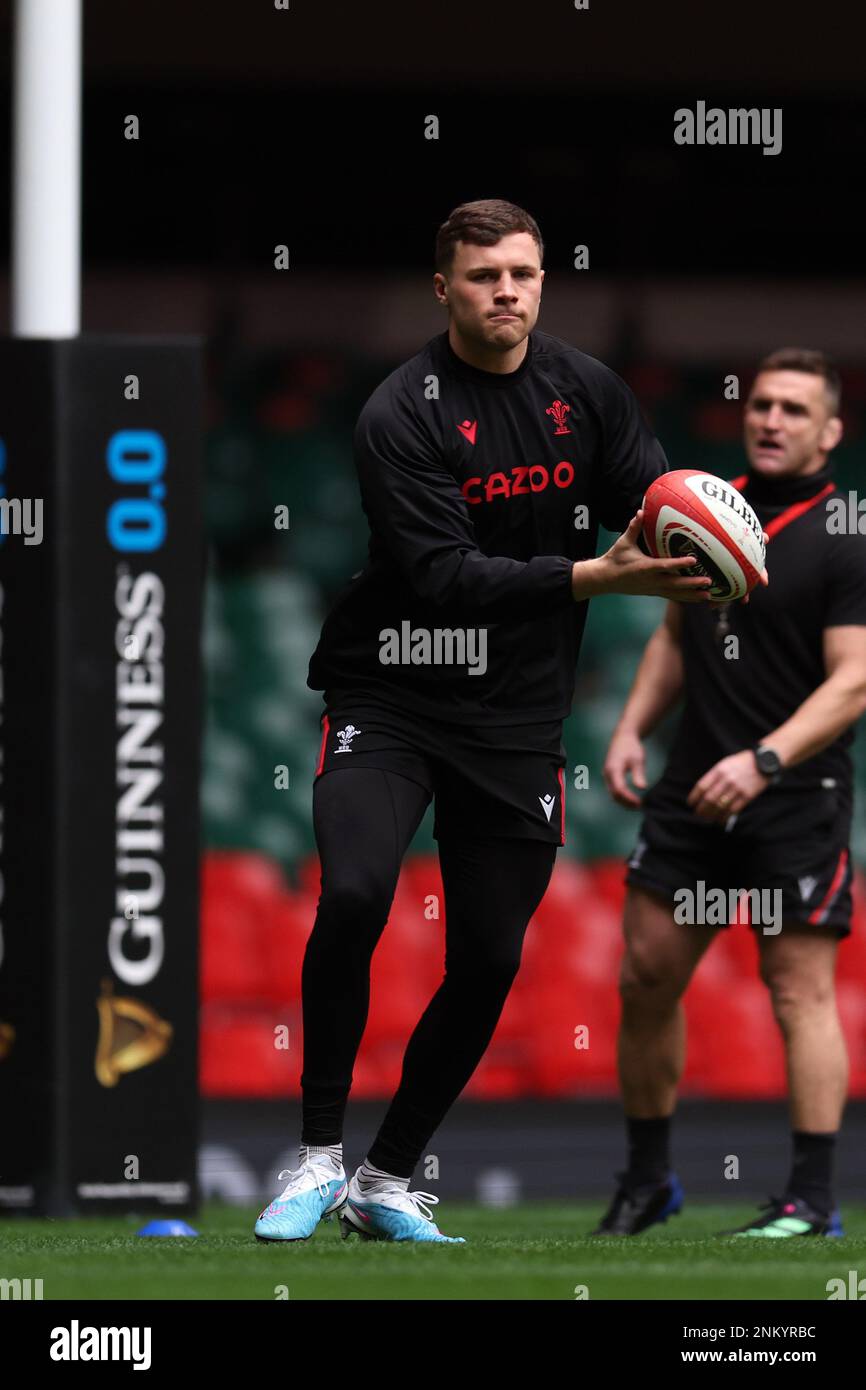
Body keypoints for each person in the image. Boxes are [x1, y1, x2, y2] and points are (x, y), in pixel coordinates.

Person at [255, 198, 714, 1245]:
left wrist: (707, 540)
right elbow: (443, 577)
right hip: (394, 688)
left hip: (515, 719)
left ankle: (386, 1176)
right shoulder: (399, 411)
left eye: (521, 272)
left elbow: (649, 499)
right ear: (443, 288)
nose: (504, 290)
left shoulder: (583, 391)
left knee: (490, 962)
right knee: (360, 889)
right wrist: (600, 573)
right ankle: (316, 1156)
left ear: (542, 279)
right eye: (481, 275)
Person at [597, 348, 866, 1237]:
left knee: (798, 992)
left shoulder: (848, 534)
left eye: (795, 409)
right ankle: (647, 1182)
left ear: (831, 430)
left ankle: (811, 1199)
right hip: (689, 790)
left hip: (793, 793)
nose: (772, 420)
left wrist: (766, 760)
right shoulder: (707, 511)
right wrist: (634, 724)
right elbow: (676, 637)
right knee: (645, 978)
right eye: (761, 404)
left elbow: (855, 681)